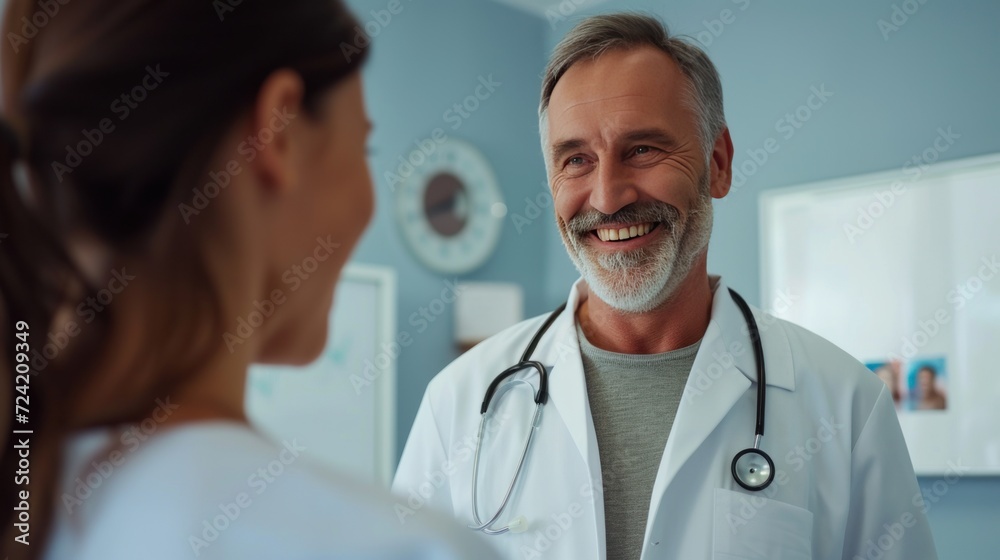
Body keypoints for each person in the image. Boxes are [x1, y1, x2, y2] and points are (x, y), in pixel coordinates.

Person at [392, 13, 937, 560]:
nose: (607, 197)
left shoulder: (844, 405)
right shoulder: (459, 404)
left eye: (643, 150)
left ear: (717, 164)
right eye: (576, 159)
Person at [0, 1, 499, 559]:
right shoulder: (400, 547)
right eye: (364, 146)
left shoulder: (26, 505)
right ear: (278, 131)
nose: (368, 204)